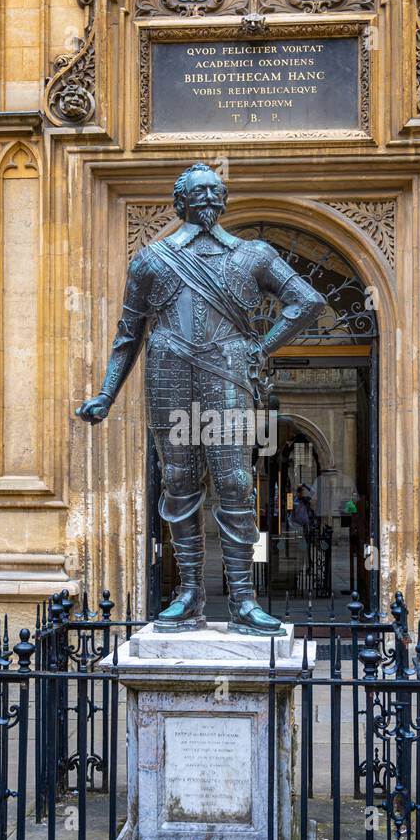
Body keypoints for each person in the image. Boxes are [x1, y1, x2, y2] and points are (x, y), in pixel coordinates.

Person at [77, 162, 324, 635]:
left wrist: (261, 346)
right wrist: (106, 394)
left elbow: (308, 300)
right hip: (168, 369)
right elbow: (127, 335)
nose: (209, 197)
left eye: (216, 190)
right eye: (199, 191)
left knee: (233, 479)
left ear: (225, 199)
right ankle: (189, 593)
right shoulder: (152, 259)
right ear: (181, 201)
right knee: (178, 480)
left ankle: (244, 600)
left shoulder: (253, 254)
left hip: (225, 371)